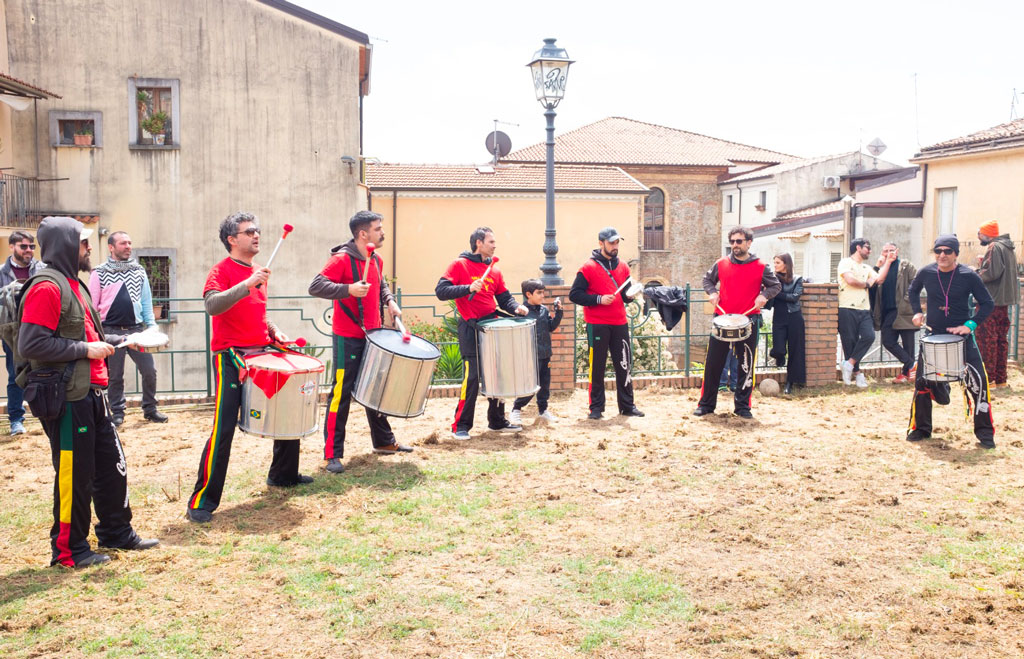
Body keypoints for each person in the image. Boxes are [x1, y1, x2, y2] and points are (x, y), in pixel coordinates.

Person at [17, 216, 158, 566]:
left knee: (111, 466)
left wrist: (126, 339)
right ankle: (69, 550)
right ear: (65, 245)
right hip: (67, 397)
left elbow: (91, 336)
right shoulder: (46, 287)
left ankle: (116, 532)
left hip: (92, 392)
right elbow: (31, 343)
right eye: (82, 242)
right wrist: (85, 350)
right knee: (75, 474)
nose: (88, 248)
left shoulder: (76, 286)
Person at [186, 212, 310, 524]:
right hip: (230, 356)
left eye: (257, 231)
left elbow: (259, 313)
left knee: (287, 406)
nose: (257, 235)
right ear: (232, 239)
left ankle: (283, 475)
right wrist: (247, 283)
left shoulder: (258, 271)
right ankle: (202, 501)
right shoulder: (221, 270)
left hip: (261, 352)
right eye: (249, 231)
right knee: (223, 427)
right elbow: (212, 305)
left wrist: (274, 330)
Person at [308, 210, 411, 475]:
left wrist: (390, 301)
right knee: (341, 394)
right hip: (348, 337)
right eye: (378, 228)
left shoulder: (375, 258)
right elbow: (315, 286)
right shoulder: (341, 259)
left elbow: (381, 284)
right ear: (363, 234)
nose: (382, 232)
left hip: (373, 335)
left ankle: (383, 442)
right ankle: (332, 453)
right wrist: (348, 289)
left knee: (375, 390)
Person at [435, 227, 527, 440]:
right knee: (473, 377)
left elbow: (504, 298)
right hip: (470, 327)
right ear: (479, 243)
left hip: (492, 327)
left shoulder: (494, 270)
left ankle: (497, 421)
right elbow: (441, 291)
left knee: (498, 376)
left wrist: (516, 307)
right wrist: (467, 288)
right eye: (491, 241)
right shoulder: (459, 264)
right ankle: (461, 425)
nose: (495, 245)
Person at [907, 234, 995, 448]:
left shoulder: (968, 275)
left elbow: (987, 303)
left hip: (962, 339)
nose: (942, 255)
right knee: (921, 383)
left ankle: (985, 435)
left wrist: (970, 325)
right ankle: (921, 429)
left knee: (979, 383)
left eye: (947, 251)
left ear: (956, 254)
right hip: (933, 335)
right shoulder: (926, 272)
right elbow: (912, 290)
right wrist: (917, 311)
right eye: (938, 251)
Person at [694, 226, 781, 418]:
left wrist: (764, 295)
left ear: (749, 243)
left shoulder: (761, 266)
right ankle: (706, 405)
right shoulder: (721, 263)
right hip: (722, 320)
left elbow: (775, 286)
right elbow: (707, 280)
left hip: (749, 320)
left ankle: (742, 407)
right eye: (732, 241)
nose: (735, 245)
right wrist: (712, 292)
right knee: (712, 365)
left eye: (739, 241)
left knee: (745, 365)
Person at [88, 231, 167, 426]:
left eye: (130, 243)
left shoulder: (139, 271)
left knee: (149, 371)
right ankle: (117, 412)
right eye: (123, 243)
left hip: (136, 331)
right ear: (111, 247)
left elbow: (146, 301)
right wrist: (96, 334)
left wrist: (152, 326)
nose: (128, 247)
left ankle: (150, 409)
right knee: (115, 375)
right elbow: (92, 306)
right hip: (110, 331)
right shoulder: (99, 272)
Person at [569, 227, 644, 420]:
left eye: (617, 242)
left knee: (624, 365)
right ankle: (596, 408)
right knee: (597, 367)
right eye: (611, 242)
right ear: (601, 243)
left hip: (620, 322)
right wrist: (599, 299)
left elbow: (625, 297)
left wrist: (631, 296)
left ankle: (627, 406)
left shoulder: (624, 267)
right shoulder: (588, 268)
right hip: (597, 324)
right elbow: (575, 294)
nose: (615, 246)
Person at [0, 230, 45, 435]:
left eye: (32, 246)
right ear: (12, 247)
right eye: (24, 246)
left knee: (44, 371)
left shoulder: (42, 269)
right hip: (12, 331)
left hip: (40, 327)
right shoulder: (2, 272)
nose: (29, 250)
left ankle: (47, 413)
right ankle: (16, 420)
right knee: (15, 375)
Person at [837, 238, 893, 388]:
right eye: (867, 247)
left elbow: (879, 279)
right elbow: (850, 280)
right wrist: (866, 284)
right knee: (850, 342)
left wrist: (888, 262)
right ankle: (858, 374)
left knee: (869, 336)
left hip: (864, 309)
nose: (870, 251)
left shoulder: (866, 267)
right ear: (858, 247)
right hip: (846, 307)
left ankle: (849, 364)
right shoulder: (845, 262)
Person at [509, 278, 563, 425]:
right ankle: (516, 409)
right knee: (531, 386)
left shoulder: (544, 310)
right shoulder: (522, 312)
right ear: (528, 294)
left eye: (543, 292)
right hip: (530, 356)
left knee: (544, 385)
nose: (542, 295)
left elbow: (551, 327)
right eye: (539, 293)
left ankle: (543, 411)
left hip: (545, 354)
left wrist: (559, 312)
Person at [974, 220, 1020, 386]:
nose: (978, 237)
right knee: (1000, 340)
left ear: (987, 234)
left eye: (980, 233)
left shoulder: (994, 247)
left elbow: (991, 273)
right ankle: (1000, 379)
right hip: (1003, 302)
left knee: (986, 339)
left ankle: (989, 379)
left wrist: (975, 274)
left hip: (990, 302)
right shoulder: (1007, 247)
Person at [871, 242, 918, 383]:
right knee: (888, 341)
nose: (888, 253)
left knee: (908, 345)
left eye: (891, 250)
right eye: (885, 251)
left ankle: (906, 374)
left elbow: (916, 284)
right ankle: (912, 364)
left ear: (897, 251)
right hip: (887, 312)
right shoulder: (881, 269)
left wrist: (907, 300)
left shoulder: (906, 266)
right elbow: (872, 284)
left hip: (905, 310)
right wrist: (878, 265)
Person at [766, 253, 805, 394]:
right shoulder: (773, 280)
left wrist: (776, 294)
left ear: (786, 264)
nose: (775, 265)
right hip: (779, 318)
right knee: (779, 349)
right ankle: (779, 355)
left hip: (794, 317)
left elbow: (794, 298)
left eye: (778, 262)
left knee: (795, 350)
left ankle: (790, 382)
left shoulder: (797, 279)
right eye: (774, 262)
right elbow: (768, 298)